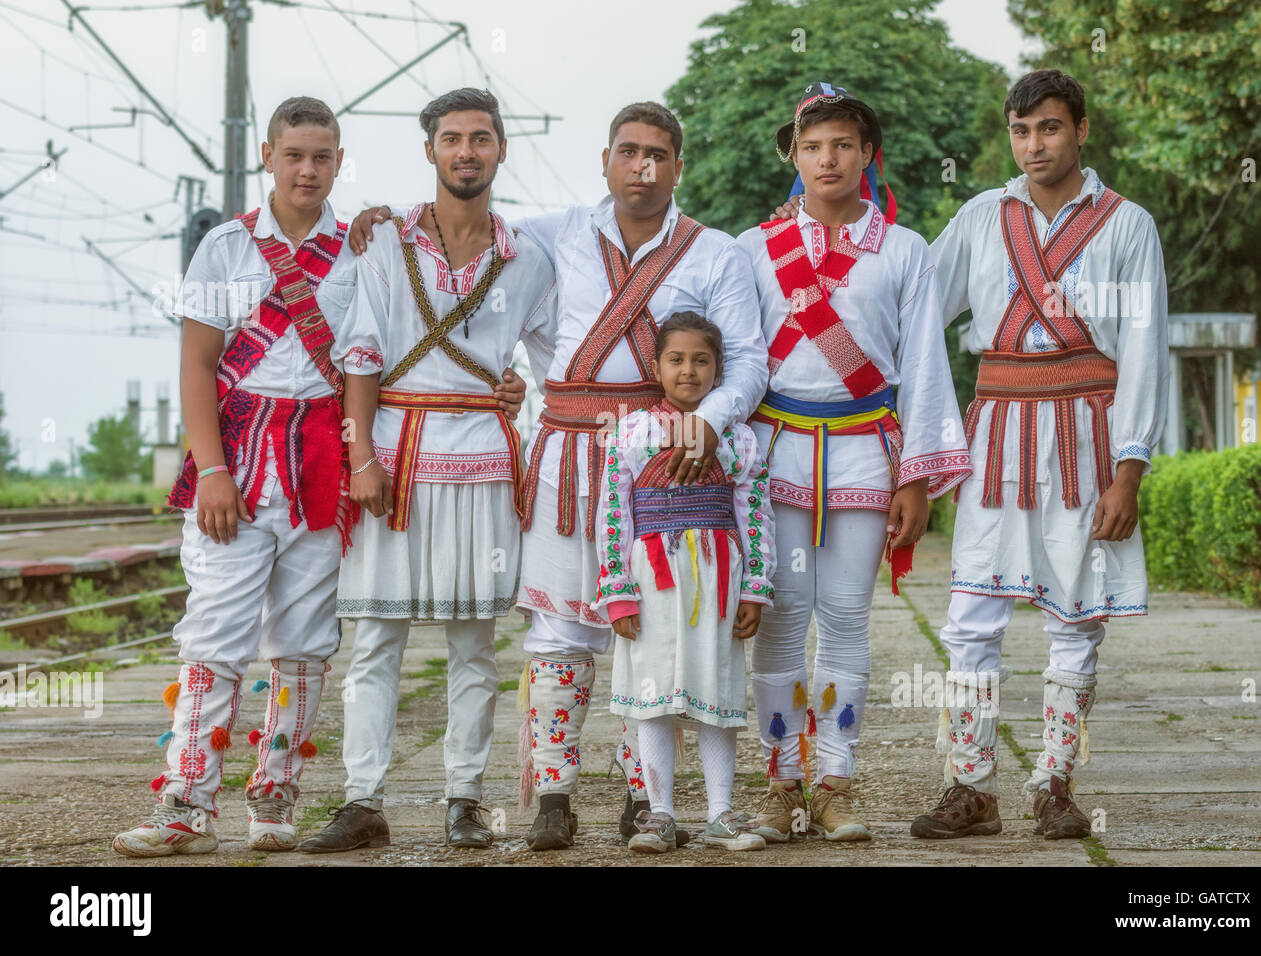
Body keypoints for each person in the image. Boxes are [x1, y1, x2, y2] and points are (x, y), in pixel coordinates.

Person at [349, 101, 768, 850]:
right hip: (566, 457)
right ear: (605, 159)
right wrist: (394, 216)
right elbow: (465, 235)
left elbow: (749, 359)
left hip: (662, 463)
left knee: (657, 629)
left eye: (658, 155)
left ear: (679, 165)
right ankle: (552, 794)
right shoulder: (550, 236)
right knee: (555, 634)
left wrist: (709, 420)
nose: (641, 167)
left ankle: (649, 800)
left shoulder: (717, 254)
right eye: (628, 151)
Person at [909, 69, 1168, 840]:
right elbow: (917, 297)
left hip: (1087, 437)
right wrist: (822, 234)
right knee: (970, 618)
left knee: (1077, 619)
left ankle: (1054, 783)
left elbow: (1146, 351)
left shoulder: (1127, 224)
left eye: (1049, 128)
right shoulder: (984, 214)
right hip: (996, 437)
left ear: (1081, 129)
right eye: (1021, 131)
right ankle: (970, 787)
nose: (1034, 145)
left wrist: (1131, 468)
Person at [295, 89, 556, 853]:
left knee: (475, 644)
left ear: (500, 150)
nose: (465, 152)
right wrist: (361, 457)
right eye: (451, 139)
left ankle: (464, 798)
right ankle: (362, 799)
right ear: (430, 151)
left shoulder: (529, 258)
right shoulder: (382, 243)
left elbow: (550, 356)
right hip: (397, 456)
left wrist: (521, 391)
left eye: (479, 138)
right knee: (376, 638)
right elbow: (361, 354)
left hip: (483, 461)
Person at [113, 96, 362, 856]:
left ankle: (274, 799)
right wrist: (212, 469)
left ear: (339, 162)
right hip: (241, 454)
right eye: (295, 155)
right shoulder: (225, 246)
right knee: (215, 634)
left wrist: (361, 458)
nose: (308, 169)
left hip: (322, 456)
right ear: (267, 155)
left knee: (305, 641)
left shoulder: (361, 250)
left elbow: (362, 368)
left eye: (322, 156)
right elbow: (195, 364)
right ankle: (185, 806)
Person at [739, 83, 971, 844]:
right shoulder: (751, 250)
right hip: (773, 453)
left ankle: (834, 781)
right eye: (812, 146)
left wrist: (916, 475)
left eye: (842, 144)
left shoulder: (904, 250)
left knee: (845, 620)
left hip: (868, 455)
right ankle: (780, 782)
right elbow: (734, 359)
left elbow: (926, 365)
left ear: (867, 154)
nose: (827, 158)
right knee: (780, 622)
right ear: (794, 157)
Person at [591, 312, 774, 854]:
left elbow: (756, 514)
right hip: (651, 581)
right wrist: (617, 589)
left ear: (719, 371)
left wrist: (755, 588)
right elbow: (611, 513)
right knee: (653, 695)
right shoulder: (631, 431)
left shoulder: (738, 439)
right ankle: (661, 814)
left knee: (717, 686)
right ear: (656, 366)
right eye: (676, 359)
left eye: (701, 361)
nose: (688, 371)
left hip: (719, 577)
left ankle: (721, 813)